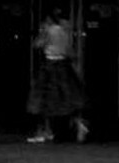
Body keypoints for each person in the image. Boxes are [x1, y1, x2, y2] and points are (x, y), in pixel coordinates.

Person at [26, 8, 86, 144]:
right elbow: (70, 51)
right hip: (64, 65)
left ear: (48, 19)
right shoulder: (64, 31)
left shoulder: (49, 30)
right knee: (65, 100)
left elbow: (37, 44)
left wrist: (42, 31)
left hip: (50, 64)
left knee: (47, 100)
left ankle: (46, 130)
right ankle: (74, 126)